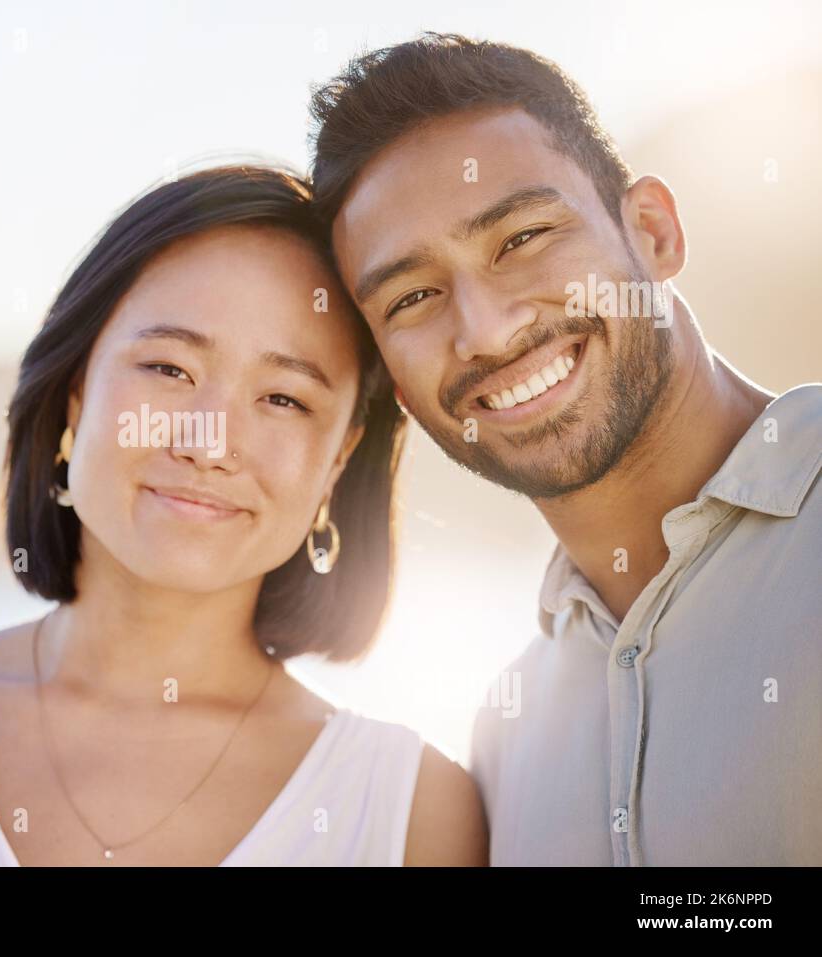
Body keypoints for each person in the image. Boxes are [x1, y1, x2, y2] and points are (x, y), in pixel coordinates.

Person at [0, 165, 488, 866]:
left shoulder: (413, 815)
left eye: (283, 398)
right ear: (75, 393)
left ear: (338, 460)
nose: (209, 441)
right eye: (168, 368)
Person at [309, 32, 822, 865]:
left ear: (652, 232)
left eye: (522, 238)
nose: (487, 329)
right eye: (413, 296)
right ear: (396, 385)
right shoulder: (505, 737)